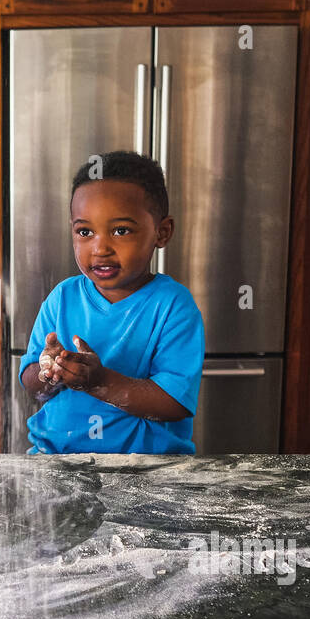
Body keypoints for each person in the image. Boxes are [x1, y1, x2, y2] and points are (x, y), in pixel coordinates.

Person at [18, 151, 205, 453]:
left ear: (162, 232)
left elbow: (174, 404)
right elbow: (32, 386)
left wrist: (99, 382)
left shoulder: (173, 306)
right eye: (85, 232)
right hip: (55, 460)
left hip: (148, 472)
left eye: (121, 231)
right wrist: (49, 372)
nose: (100, 248)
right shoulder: (63, 297)